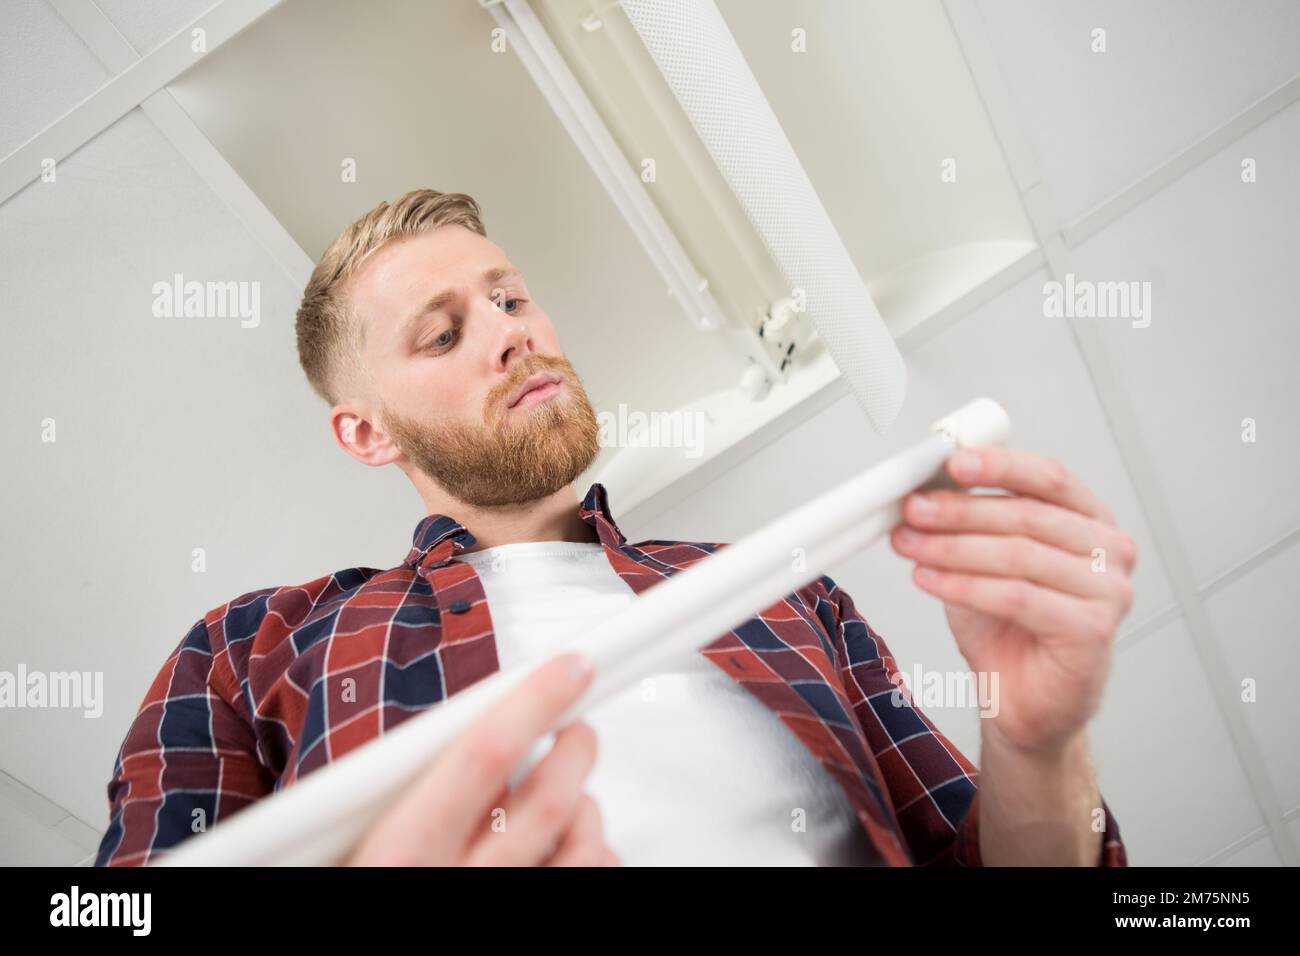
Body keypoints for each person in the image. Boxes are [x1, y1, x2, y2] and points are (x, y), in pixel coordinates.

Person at [95, 189, 1133, 867]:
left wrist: (1038, 746)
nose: (512, 331)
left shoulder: (782, 586)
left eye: (509, 297)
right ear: (367, 431)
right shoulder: (247, 649)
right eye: (446, 331)